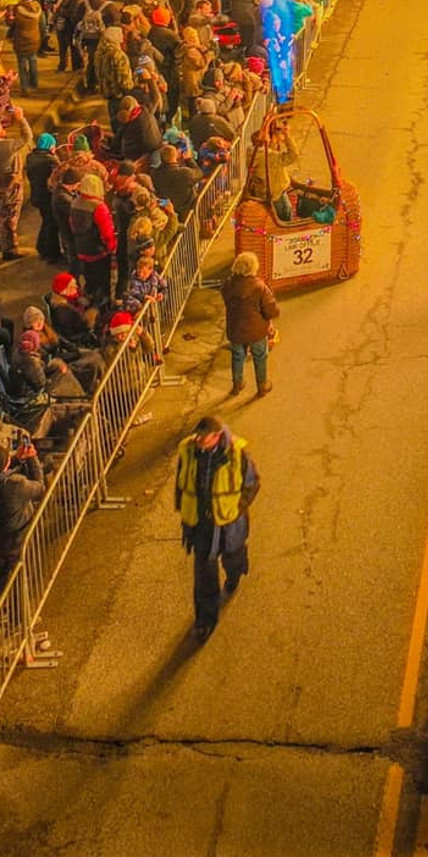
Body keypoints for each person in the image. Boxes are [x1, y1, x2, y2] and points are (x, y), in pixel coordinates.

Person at [175, 415, 259, 639]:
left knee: (233, 556)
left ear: (218, 436)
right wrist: (182, 509)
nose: (200, 442)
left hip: (228, 524)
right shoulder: (188, 451)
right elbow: (181, 482)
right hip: (201, 524)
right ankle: (205, 618)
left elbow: (252, 483)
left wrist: (237, 509)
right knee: (204, 573)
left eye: (205, 439)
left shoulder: (236, 454)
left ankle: (235, 573)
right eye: (198, 438)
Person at [223, 253, 279, 399]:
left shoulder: (228, 285)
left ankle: (237, 384)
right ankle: (262, 386)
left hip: (235, 329)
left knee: (237, 356)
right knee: (260, 357)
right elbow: (271, 309)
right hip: (257, 331)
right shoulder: (259, 287)